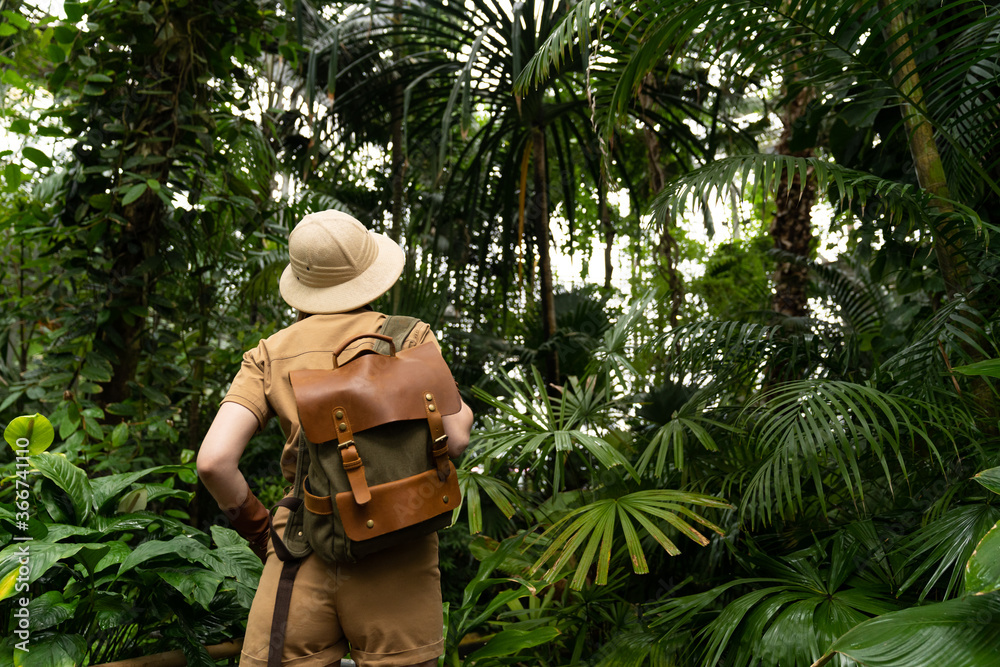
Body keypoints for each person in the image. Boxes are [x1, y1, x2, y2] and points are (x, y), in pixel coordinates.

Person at [197, 210, 474, 667]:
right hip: (400, 545)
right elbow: (457, 438)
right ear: (371, 275)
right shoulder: (408, 337)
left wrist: (262, 533)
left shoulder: (268, 353)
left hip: (302, 549)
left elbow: (214, 462)